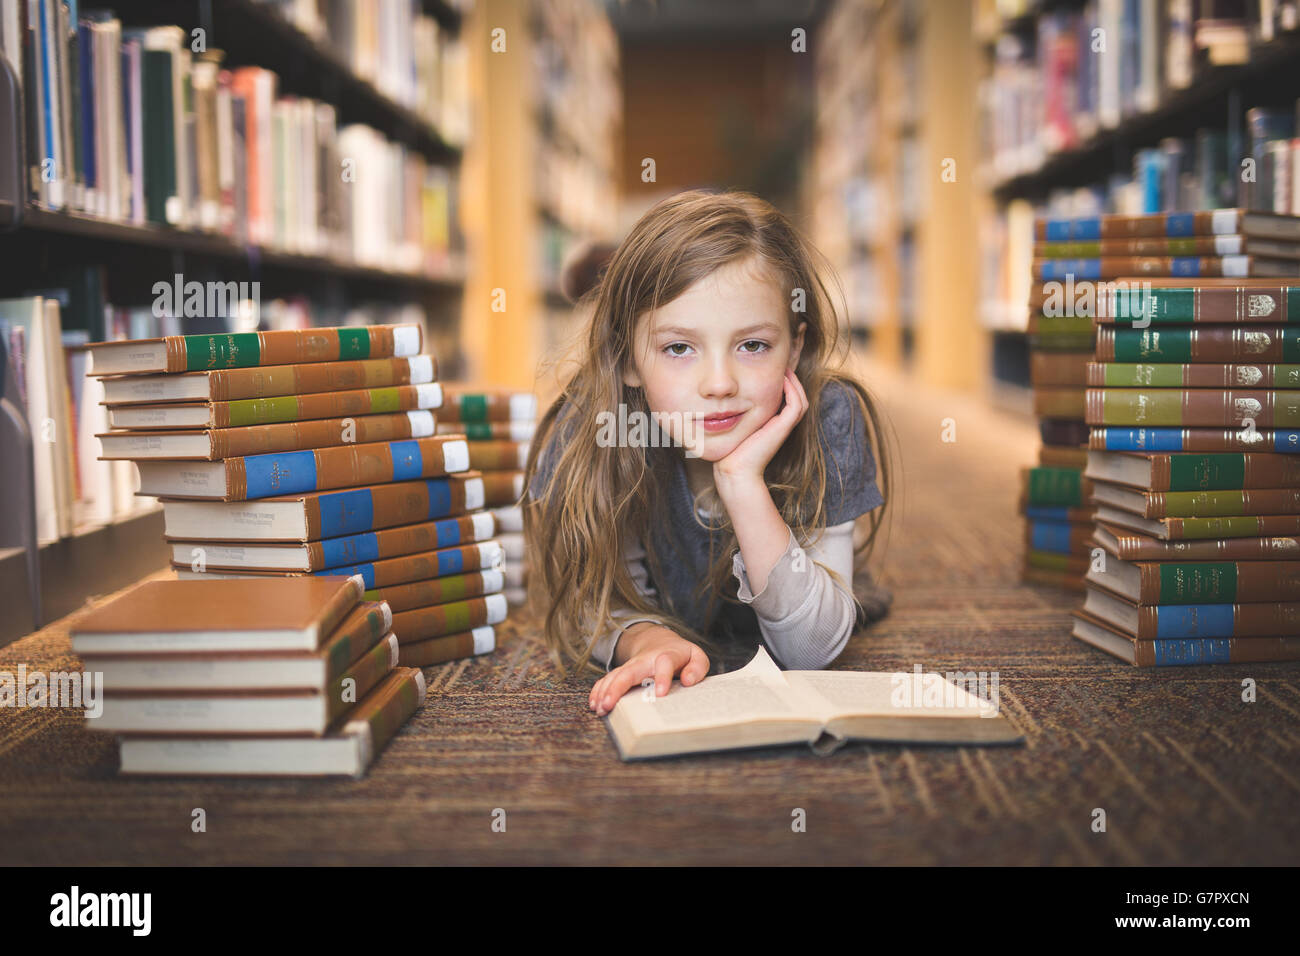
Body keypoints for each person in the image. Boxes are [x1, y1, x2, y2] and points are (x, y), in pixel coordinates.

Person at [522, 188, 894, 717]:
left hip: (793, 589)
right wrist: (644, 640)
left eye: (753, 346)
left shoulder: (829, 416)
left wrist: (743, 483)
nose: (719, 383)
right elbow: (586, 600)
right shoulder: (596, 427)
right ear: (628, 359)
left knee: (836, 596)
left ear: (797, 346)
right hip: (662, 601)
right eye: (679, 348)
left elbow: (811, 653)